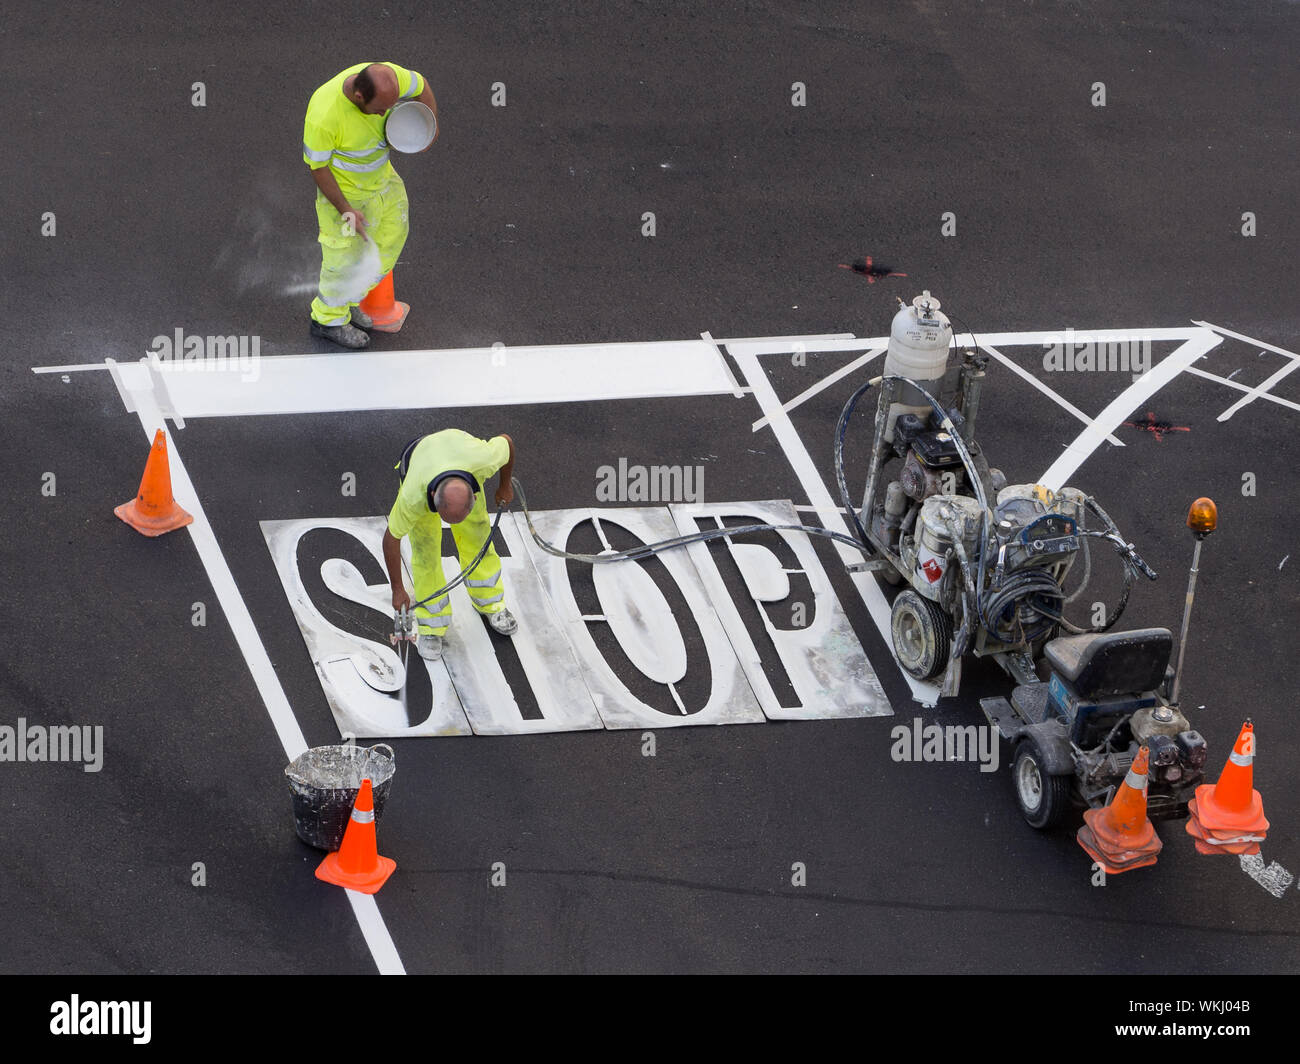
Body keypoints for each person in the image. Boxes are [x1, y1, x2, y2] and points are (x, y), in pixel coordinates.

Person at [302, 61, 438, 349]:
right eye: (379, 109)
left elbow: (421, 84)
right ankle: (328, 320)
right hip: (344, 194)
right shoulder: (325, 114)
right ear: (359, 96)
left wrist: (431, 126)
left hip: (382, 182)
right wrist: (346, 210)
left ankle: (351, 298)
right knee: (342, 258)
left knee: (391, 237)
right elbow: (318, 168)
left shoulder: (388, 77)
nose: (384, 114)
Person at [382, 429, 519, 660]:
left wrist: (504, 485)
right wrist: (398, 589)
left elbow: (507, 442)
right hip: (421, 460)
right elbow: (391, 539)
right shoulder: (412, 496)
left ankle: (491, 603)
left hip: (460, 454)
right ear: (433, 497)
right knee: (425, 554)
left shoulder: (482, 461)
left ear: (474, 496)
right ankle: (432, 626)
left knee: (477, 536)